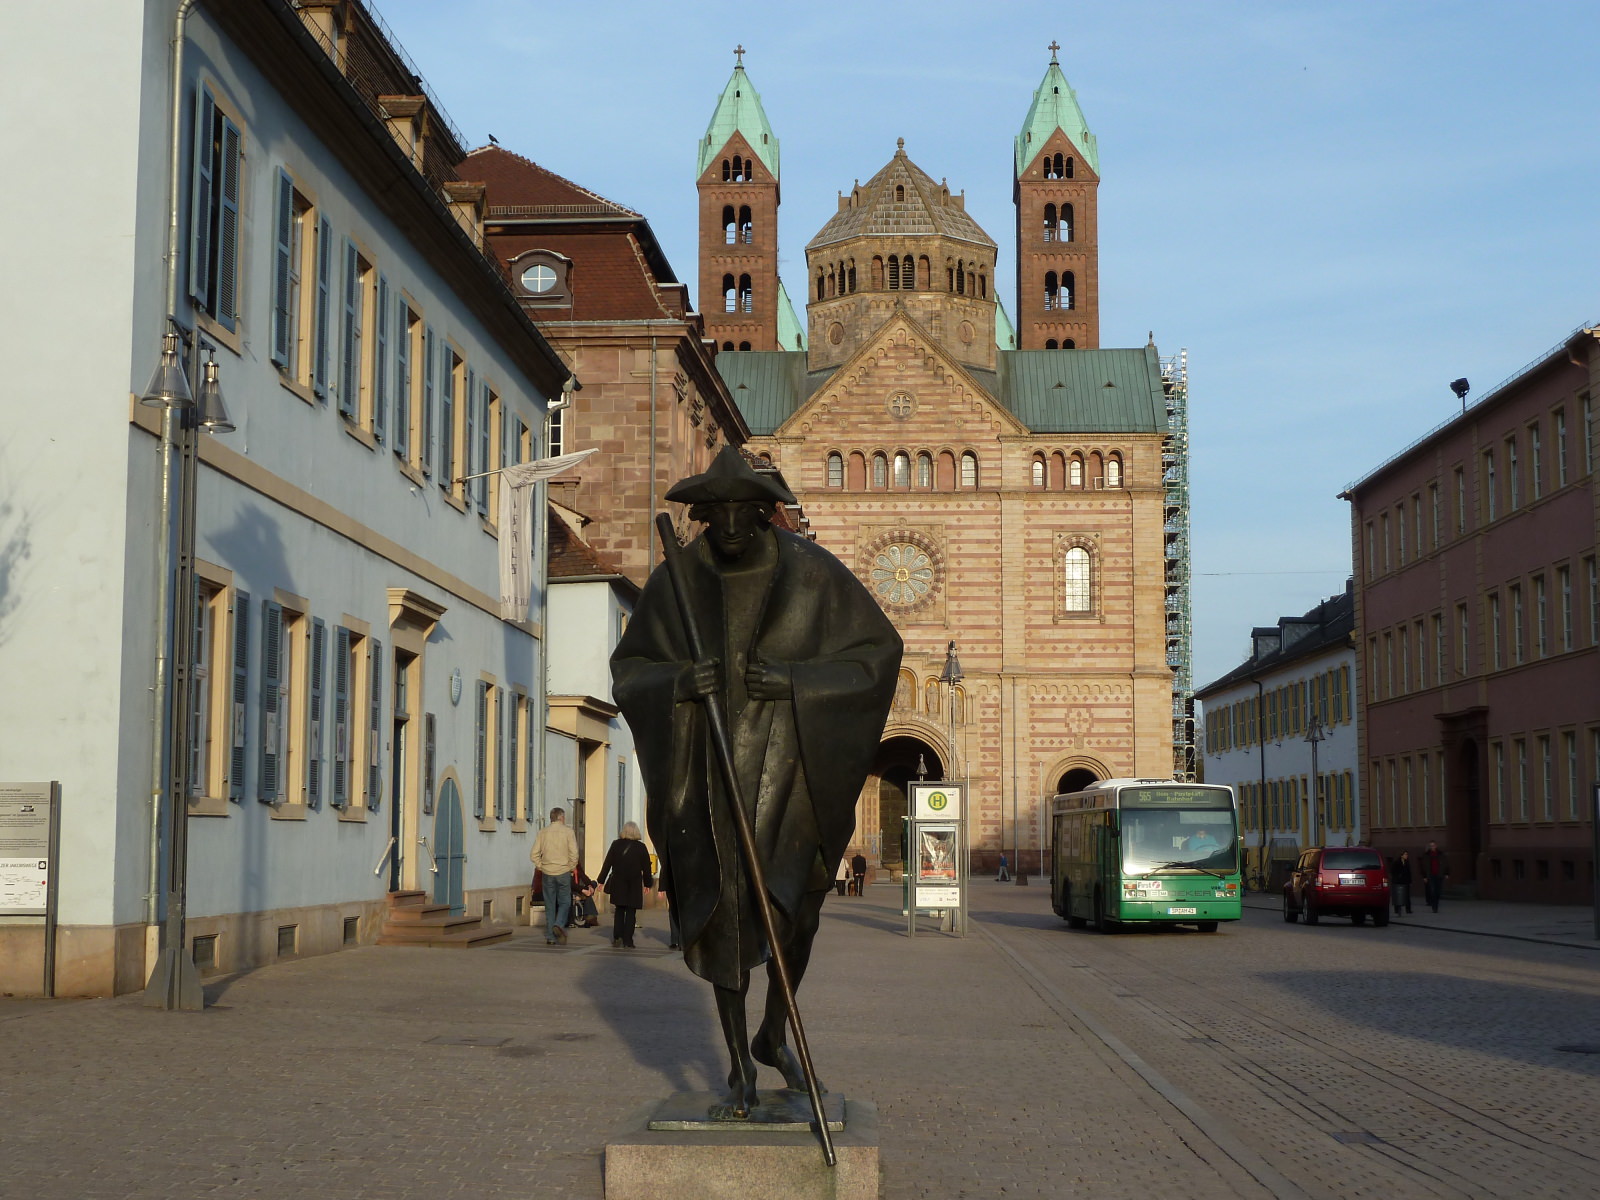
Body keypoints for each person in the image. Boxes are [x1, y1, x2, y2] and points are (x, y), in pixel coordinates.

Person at [611, 446, 902, 1120]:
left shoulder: (813, 575)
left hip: (791, 774)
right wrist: (681, 682)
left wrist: (799, 683)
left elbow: (877, 655)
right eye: (722, 517)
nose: (735, 528)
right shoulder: (675, 581)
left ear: (768, 513)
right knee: (726, 921)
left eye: (749, 514)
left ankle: (776, 1031)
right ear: (705, 517)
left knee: (796, 913)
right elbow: (631, 671)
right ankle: (741, 1062)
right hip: (709, 776)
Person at [598, 822, 654, 948]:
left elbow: (607, 864)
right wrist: (647, 884)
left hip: (619, 883)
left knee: (619, 910)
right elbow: (647, 868)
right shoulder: (641, 847)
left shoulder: (616, 845)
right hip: (634, 883)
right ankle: (628, 940)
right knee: (631, 912)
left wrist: (601, 880)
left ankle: (617, 937)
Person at [530, 807, 579, 945]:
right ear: (561, 818)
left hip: (547, 872)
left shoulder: (542, 832)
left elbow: (533, 854)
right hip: (563, 871)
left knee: (550, 904)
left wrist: (541, 865)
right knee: (565, 902)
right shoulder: (568, 832)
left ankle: (550, 937)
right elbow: (574, 853)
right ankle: (559, 923)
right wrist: (571, 866)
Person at [1420, 841, 1448, 912]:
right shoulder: (1426, 855)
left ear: (1436, 846)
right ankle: (1434, 907)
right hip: (1431, 875)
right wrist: (1424, 877)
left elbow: (1445, 864)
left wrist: (1446, 873)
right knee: (1432, 891)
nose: (1432, 847)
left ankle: (1436, 904)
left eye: (1433, 845)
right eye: (1431, 846)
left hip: (1439, 875)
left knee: (1438, 892)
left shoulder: (1441, 854)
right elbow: (1423, 866)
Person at [1391, 850, 1413, 915]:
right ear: (1402, 855)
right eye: (1405, 854)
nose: (1407, 856)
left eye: (1407, 854)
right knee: (1398, 895)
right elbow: (1392, 871)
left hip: (1405, 881)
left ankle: (1408, 909)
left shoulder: (1407, 862)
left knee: (1407, 896)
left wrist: (1410, 881)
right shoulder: (1396, 862)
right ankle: (1397, 909)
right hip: (1398, 881)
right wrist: (1397, 876)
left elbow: (1409, 872)